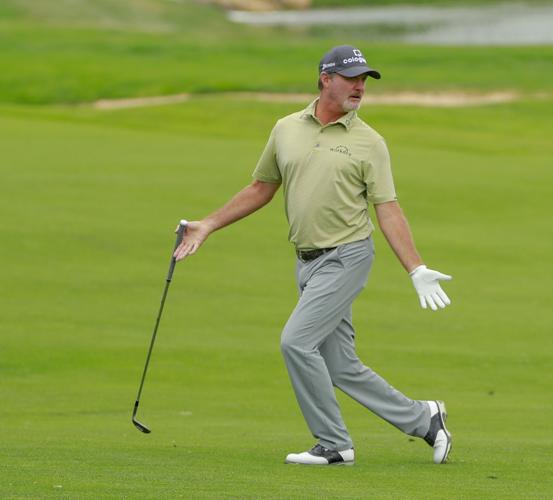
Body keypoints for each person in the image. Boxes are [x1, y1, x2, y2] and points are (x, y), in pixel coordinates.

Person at [173, 45, 453, 466]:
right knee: (339, 366)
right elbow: (261, 188)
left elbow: (388, 208)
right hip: (306, 262)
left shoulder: (370, 142)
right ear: (326, 79)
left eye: (364, 80)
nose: (360, 87)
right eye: (352, 78)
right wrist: (208, 224)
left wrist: (415, 268)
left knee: (297, 343)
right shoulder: (286, 128)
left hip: (347, 257)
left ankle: (334, 443)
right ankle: (424, 419)